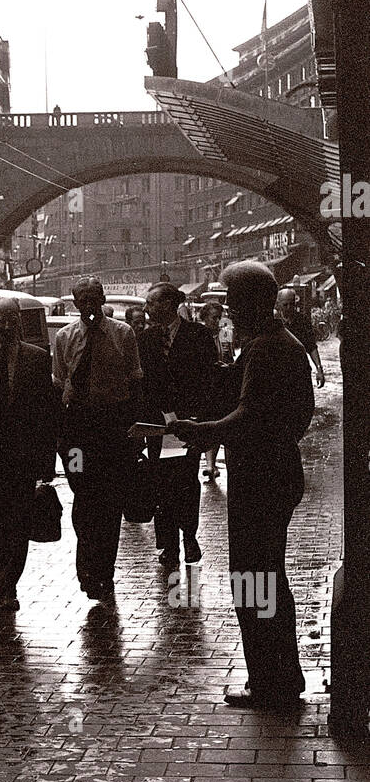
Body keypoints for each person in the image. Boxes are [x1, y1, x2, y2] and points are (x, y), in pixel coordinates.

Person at [170, 260, 314, 709]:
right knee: (263, 575)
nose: (226, 306)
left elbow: (249, 414)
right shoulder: (268, 344)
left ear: (253, 300)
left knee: (255, 578)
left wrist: (203, 431)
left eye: (232, 298)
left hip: (262, 479)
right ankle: (278, 676)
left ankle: (271, 682)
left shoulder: (268, 349)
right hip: (270, 474)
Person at [0, 295, 57, 613]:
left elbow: (47, 411)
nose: (6, 324)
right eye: (0, 318)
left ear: (19, 320)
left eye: (12, 318)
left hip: (21, 457)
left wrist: (47, 460)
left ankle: (8, 585)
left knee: (17, 523)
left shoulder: (37, 357)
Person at [53, 276, 142, 600]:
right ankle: (87, 565)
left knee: (111, 501)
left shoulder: (122, 335)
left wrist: (135, 432)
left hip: (113, 427)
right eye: (83, 301)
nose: (89, 307)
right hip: (78, 429)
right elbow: (59, 383)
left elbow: (135, 384)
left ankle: (103, 571)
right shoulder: (65, 338)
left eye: (94, 299)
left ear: (103, 299)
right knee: (84, 497)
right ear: (76, 304)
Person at [138, 283, 219, 570]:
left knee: (184, 481)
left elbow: (210, 380)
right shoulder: (145, 340)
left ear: (169, 304)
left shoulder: (198, 336)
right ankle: (168, 545)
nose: (146, 309)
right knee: (160, 483)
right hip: (157, 427)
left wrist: (202, 420)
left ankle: (189, 535)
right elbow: (143, 384)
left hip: (188, 425)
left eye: (151, 303)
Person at [198, 301, 234, 480]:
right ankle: (210, 465)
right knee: (209, 423)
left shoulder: (225, 334)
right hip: (207, 386)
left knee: (220, 423)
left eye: (219, 317)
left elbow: (230, 355)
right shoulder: (199, 335)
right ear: (205, 318)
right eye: (214, 318)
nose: (217, 321)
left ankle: (212, 465)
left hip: (222, 385)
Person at [277, 287, 325, 387]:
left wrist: (319, 369)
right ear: (279, 304)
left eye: (292, 304)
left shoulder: (302, 321)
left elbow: (311, 347)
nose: (289, 307)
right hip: (280, 374)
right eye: (285, 305)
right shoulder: (274, 322)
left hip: (300, 371)